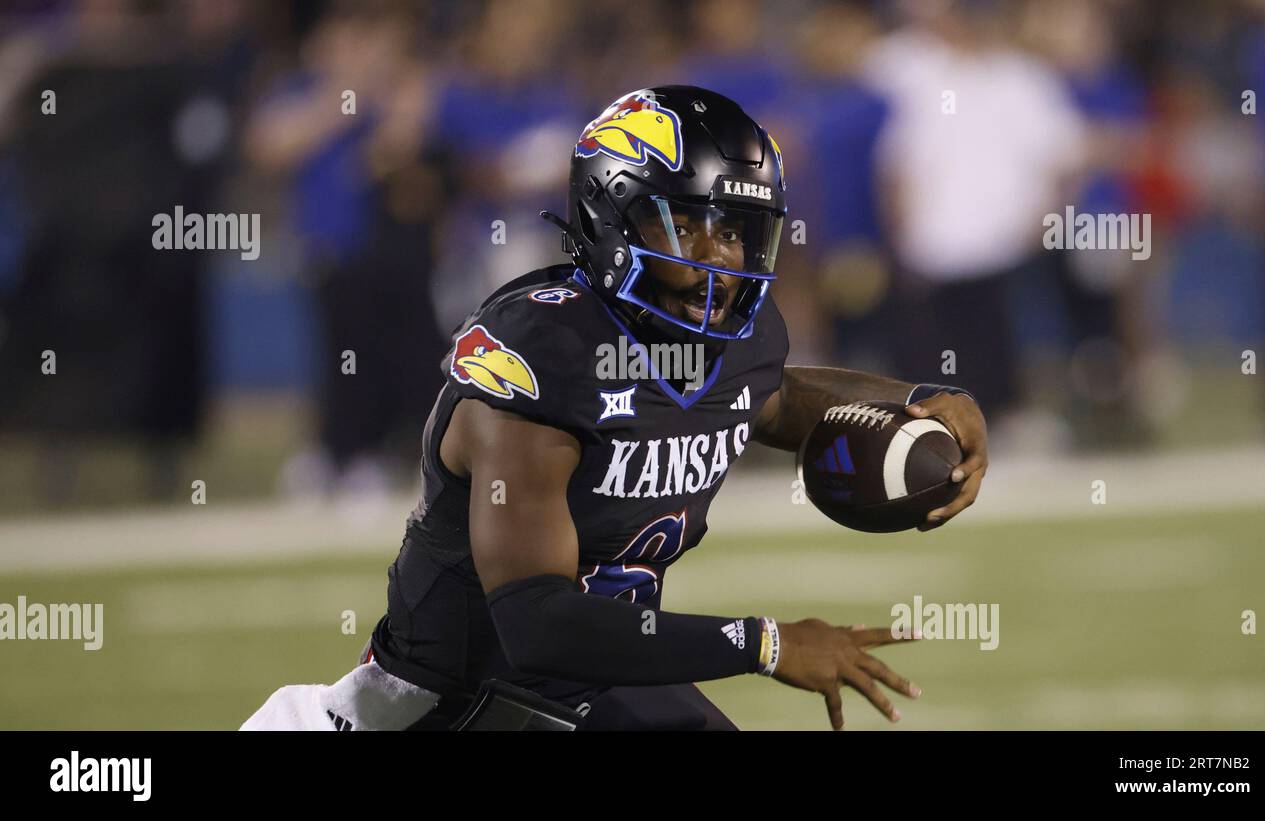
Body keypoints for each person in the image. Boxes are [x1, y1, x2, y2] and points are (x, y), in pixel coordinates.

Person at [250, 86, 989, 732]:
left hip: (578, 691)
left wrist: (920, 400)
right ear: (615, 215)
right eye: (688, 225)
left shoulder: (732, 339)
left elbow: (774, 397)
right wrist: (765, 642)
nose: (720, 257)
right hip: (444, 708)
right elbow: (537, 622)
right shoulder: (541, 357)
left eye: (735, 229)